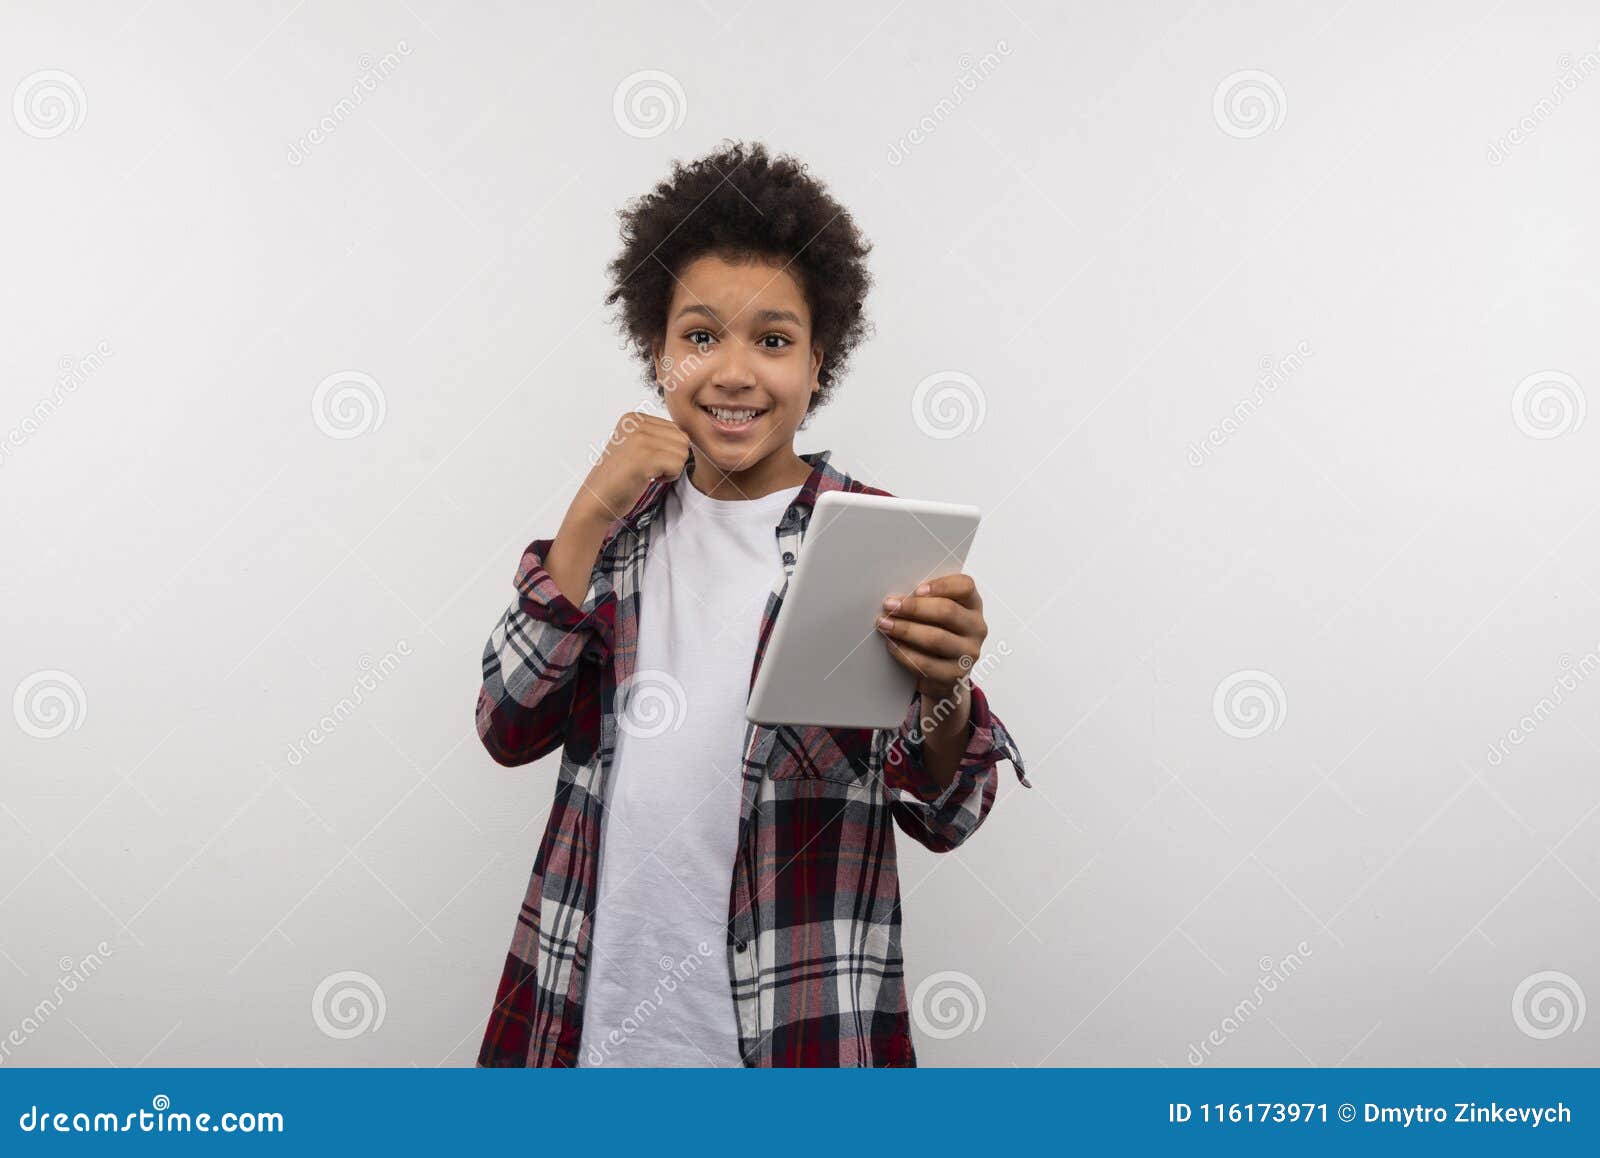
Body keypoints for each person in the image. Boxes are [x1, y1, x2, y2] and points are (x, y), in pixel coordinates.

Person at [473, 139, 1030, 1068]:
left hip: (797, 1036)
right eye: (700, 336)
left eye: (772, 341)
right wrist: (586, 512)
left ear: (819, 366)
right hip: (591, 1024)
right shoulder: (616, 536)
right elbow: (506, 726)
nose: (733, 372)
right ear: (659, 356)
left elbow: (949, 814)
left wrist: (949, 689)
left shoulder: (875, 546)